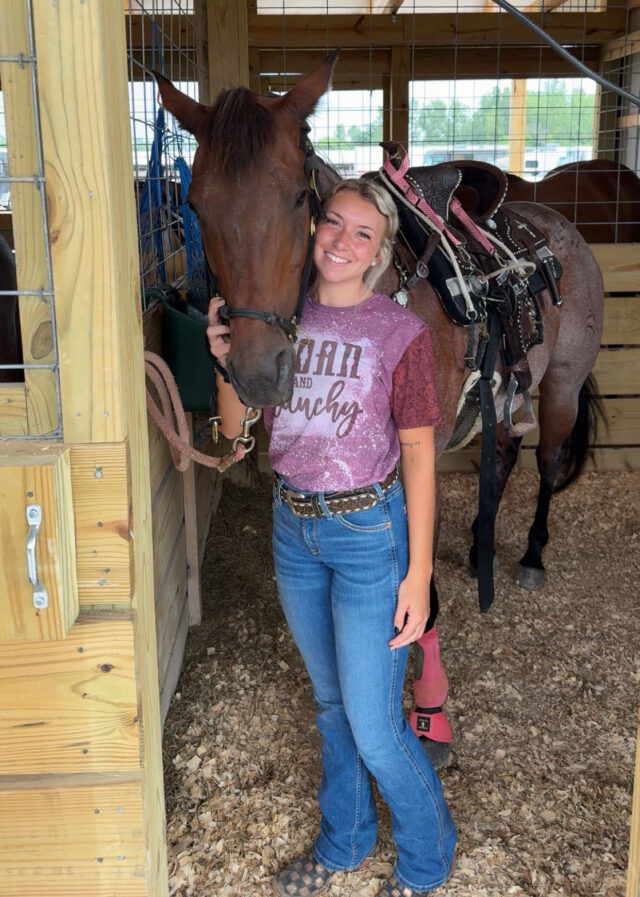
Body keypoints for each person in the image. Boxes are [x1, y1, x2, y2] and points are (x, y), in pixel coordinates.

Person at [207, 178, 456, 897]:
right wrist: (224, 358)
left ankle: (427, 856)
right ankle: (345, 841)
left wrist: (416, 574)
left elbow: (417, 454)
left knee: (376, 723)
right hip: (294, 530)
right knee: (331, 704)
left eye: (362, 234)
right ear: (313, 228)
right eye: (333, 223)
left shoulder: (398, 333)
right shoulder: (275, 317)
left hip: (367, 535)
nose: (342, 241)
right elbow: (233, 432)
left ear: (378, 255)